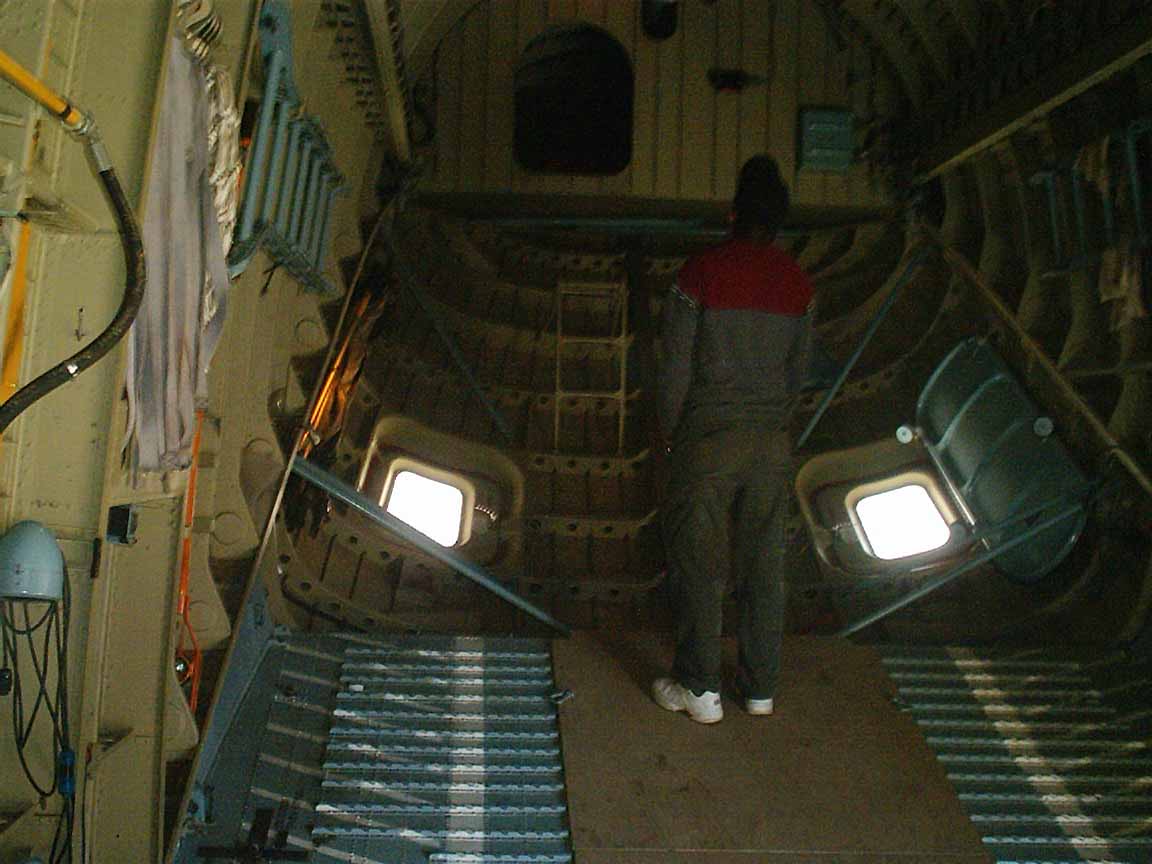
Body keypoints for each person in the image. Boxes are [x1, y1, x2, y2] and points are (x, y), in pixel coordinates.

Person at [652, 155, 814, 724]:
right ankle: (759, 688)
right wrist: (774, 424)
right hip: (770, 443)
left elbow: (674, 367)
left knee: (700, 562)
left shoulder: (700, 273)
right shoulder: (797, 283)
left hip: (706, 439)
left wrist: (670, 434)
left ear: (732, 213)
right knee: (765, 566)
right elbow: (798, 375)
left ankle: (699, 690)